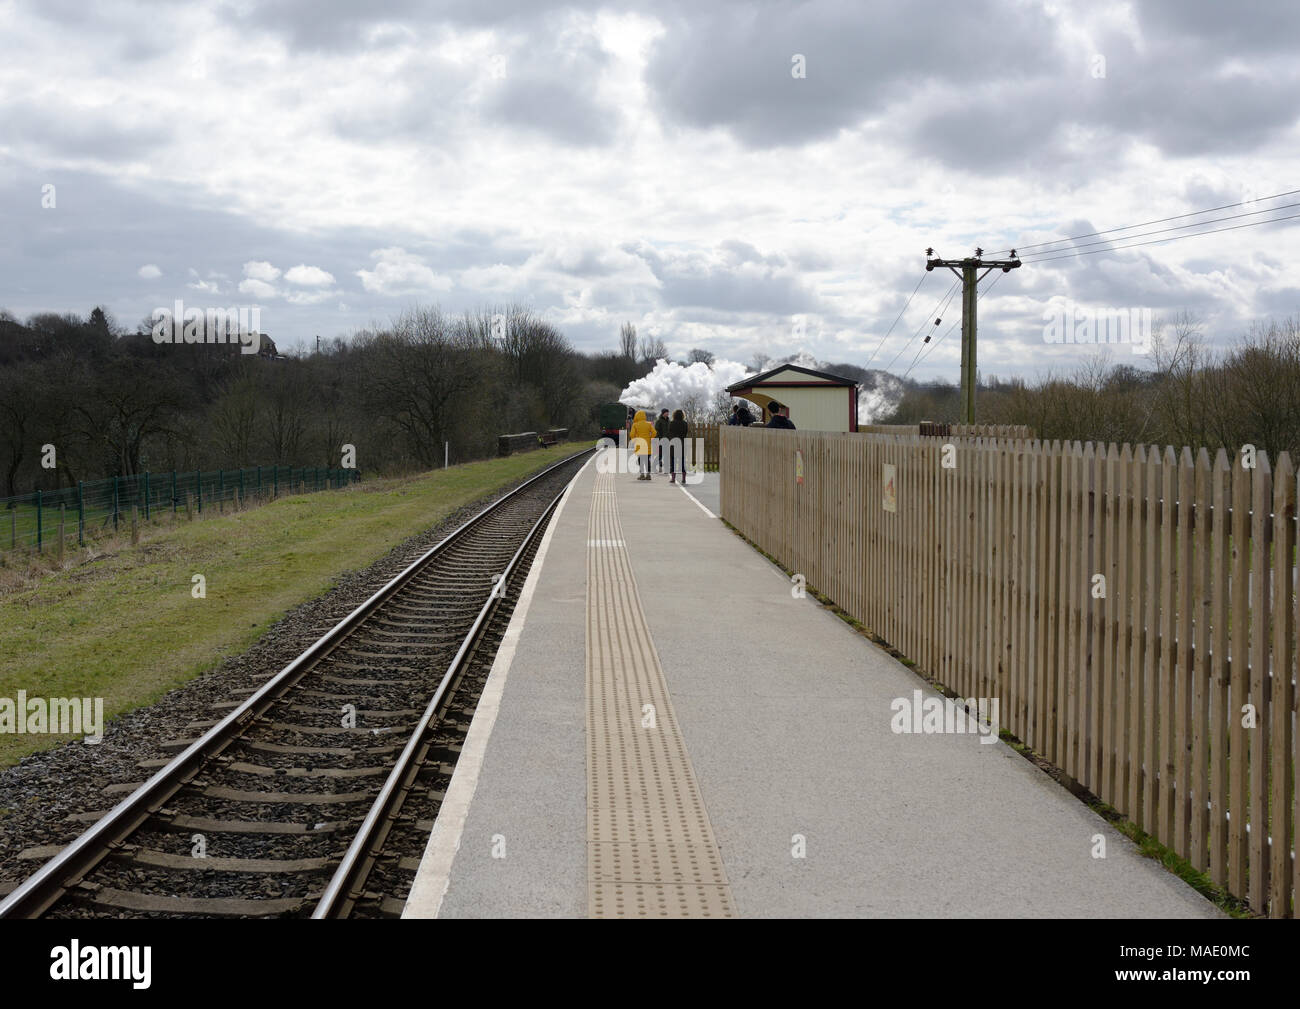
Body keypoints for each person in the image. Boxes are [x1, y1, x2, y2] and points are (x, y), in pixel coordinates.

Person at [629, 409, 657, 480]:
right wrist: (650, 438)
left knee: (640, 459)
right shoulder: (649, 424)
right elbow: (654, 433)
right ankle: (648, 475)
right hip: (647, 444)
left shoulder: (635, 425)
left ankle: (642, 474)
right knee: (647, 459)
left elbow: (632, 434)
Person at [668, 409, 688, 483]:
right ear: (682, 415)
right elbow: (685, 433)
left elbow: (669, 433)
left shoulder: (672, 423)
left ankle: (673, 478)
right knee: (682, 462)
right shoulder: (685, 423)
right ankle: (684, 479)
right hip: (682, 444)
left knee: (673, 461)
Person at [654, 408, 671, 473]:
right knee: (660, 454)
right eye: (666, 412)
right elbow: (656, 430)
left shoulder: (669, 421)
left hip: (667, 440)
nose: (667, 413)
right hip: (661, 440)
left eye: (668, 412)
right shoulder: (659, 421)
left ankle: (666, 469)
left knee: (667, 455)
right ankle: (658, 466)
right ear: (663, 413)